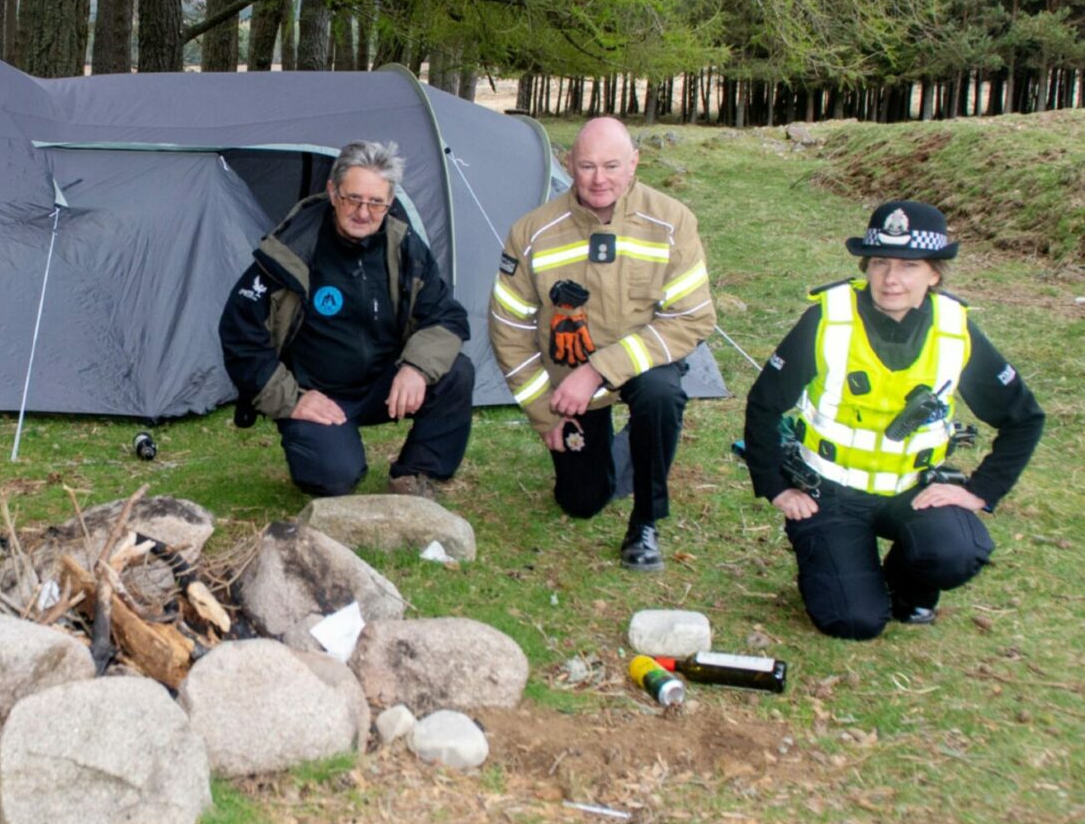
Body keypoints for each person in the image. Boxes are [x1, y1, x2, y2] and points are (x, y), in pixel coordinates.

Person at [742, 201, 1043, 639]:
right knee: (853, 622)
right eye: (880, 262)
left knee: (956, 552)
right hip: (831, 491)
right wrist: (775, 486)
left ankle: (907, 587)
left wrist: (980, 491)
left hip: (914, 490)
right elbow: (764, 404)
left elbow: (1024, 418)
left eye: (909, 266)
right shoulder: (828, 318)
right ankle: (850, 579)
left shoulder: (955, 328)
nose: (891, 279)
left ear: (934, 274)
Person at [488, 117, 715, 570]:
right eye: (587, 166)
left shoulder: (672, 221)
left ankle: (645, 521)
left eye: (612, 166)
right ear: (569, 163)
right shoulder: (531, 232)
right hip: (570, 388)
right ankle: (629, 446)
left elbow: (692, 316)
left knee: (660, 396)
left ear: (634, 163)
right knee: (582, 501)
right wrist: (543, 412)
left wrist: (597, 370)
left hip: (643, 367)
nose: (599, 179)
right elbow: (507, 327)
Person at [219, 140, 475, 499]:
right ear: (332, 192)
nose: (363, 213)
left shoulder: (403, 246)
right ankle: (327, 452)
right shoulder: (290, 250)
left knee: (455, 371)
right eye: (353, 198)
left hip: (384, 385)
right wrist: (292, 399)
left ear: (389, 202)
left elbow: (445, 315)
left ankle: (415, 474)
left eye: (376, 202)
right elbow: (240, 333)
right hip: (316, 394)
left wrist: (415, 368)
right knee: (334, 478)